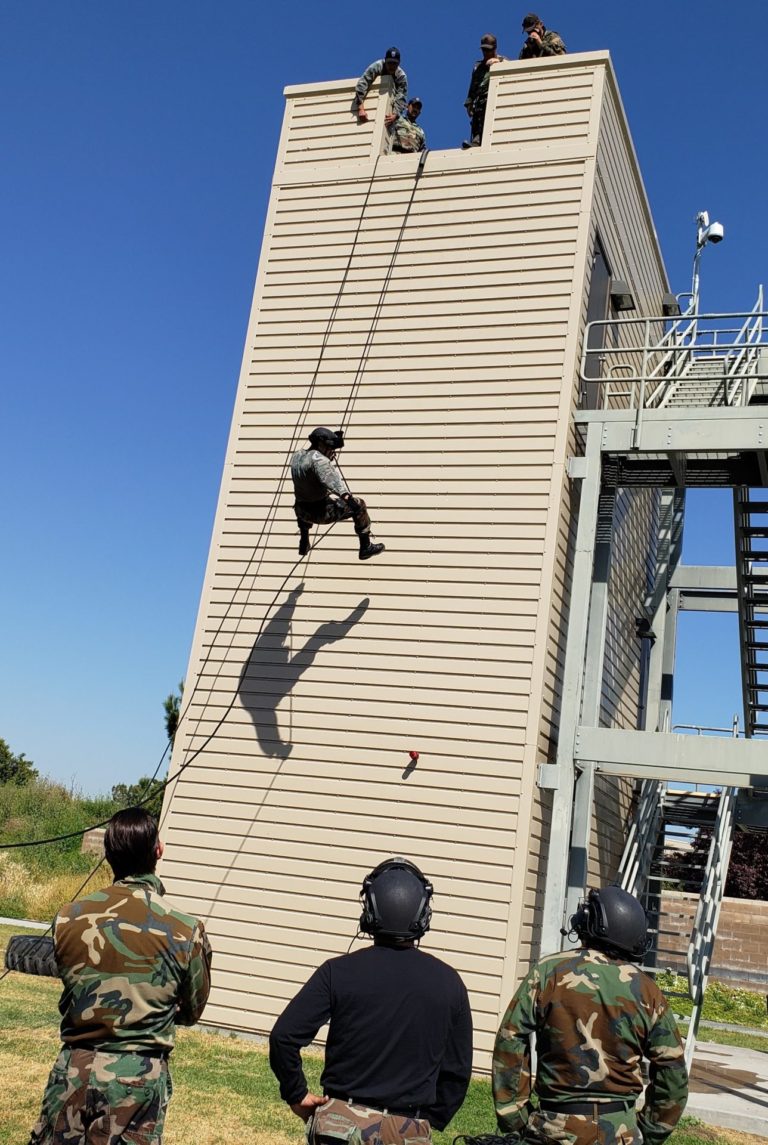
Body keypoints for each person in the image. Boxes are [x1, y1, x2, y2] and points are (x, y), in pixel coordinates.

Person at [29, 807, 212, 1145]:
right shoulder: (185, 929)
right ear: (158, 850)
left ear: (109, 854)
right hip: (137, 1079)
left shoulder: (69, 917)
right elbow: (191, 1011)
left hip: (73, 1070)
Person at [269, 857, 473, 1144]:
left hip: (338, 1126)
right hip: (408, 1128)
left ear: (369, 911)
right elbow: (457, 1072)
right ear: (423, 915)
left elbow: (284, 1037)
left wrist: (297, 1094)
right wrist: (427, 1121)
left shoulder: (336, 971)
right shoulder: (450, 984)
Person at [493, 886, 688, 1145]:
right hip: (622, 1133)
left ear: (589, 921)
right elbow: (672, 1071)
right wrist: (649, 1131)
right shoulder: (648, 991)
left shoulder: (549, 972)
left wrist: (514, 1117)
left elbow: (510, 1039)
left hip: (555, 1127)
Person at [291, 427, 384, 561]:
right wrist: (350, 500)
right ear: (320, 444)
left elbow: (310, 474)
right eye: (330, 448)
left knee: (303, 499)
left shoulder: (297, 455)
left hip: (301, 511)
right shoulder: (320, 461)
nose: (332, 451)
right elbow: (334, 483)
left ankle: (304, 541)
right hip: (319, 513)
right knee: (360, 505)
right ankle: (366, 546)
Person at [462, 34, 507, 149]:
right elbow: (473, 85)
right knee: (478, 123)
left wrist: (499, 64)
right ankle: (476, 142)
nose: (486, 53)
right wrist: (469, 102)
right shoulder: (478, 66)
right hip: (480, 102)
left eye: (488, 50)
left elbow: (514, 72)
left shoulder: (503, 61)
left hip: (495, 99)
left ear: (495, 48)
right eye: (484, 50)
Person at [355, 47, 408, 126]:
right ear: (385, 61)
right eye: (389, 63)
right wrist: (361, 108)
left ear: (399, 63)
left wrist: (395, 114)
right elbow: (363, 83)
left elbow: (402, 97)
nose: (392, 66)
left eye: (394, 64)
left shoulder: (401, 76)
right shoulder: (377, 66)